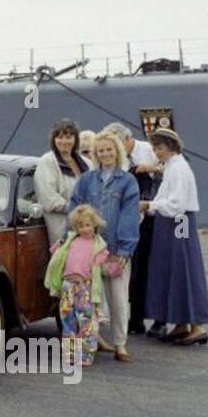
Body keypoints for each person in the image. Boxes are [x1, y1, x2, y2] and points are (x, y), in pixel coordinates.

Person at [69, 131, 141, 361]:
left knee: (119, 299)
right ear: (96, 154)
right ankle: (95, 339)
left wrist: (126, 248)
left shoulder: (128, 181)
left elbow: (130, 214)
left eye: (109, 149)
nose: (105, 154)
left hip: (115, 249)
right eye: (101, 150)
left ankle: (120, 344)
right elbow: (75, 208)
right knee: (91, 298)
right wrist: (69, 238)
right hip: (90, 249)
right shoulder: (87, 180)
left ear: (117, 151)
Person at [141, 128, 208, 346]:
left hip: (178, 222)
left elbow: (177, 203)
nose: (156, 152)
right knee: (174, 270)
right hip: (173, 223)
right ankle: (181, 322)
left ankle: (196, 325)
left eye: (159, 148)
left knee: (182, 268)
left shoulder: (178, 168)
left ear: (170, 147)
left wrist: (149, 205)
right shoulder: (172, 166)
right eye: (155, 148)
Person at [106, 122, 161, 334]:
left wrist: (152, 169)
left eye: (117, 145)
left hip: (153, 216)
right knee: (135, 270)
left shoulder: (149, 150)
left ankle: (159, 320)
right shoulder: (119, 161)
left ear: (127, 140)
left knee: (154, 268)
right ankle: (135, 319)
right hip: (131, 218)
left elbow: (170, 169)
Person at [45, 203, 109, 369]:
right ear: (75, 226)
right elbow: (57, 256)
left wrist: (110, 263)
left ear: (94, 224)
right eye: (80, 226)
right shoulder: (71, 242)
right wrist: (58, 246)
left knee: (87, 321)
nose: (85, 229)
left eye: (88, 225)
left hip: (85, 287)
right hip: (68, 286)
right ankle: (71, 354)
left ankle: (86, 354)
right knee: (68, 320)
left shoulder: (98, 245)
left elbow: (102, 262)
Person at [35, 118, 87, 245]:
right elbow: (49, 199)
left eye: (69, 137)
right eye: (60, 137)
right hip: (62, 229)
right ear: (54, 139)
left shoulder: (86, 163)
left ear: (75, 139)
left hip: (87, 227)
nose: (64, 141)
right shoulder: (47, 162)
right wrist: (78, 210)